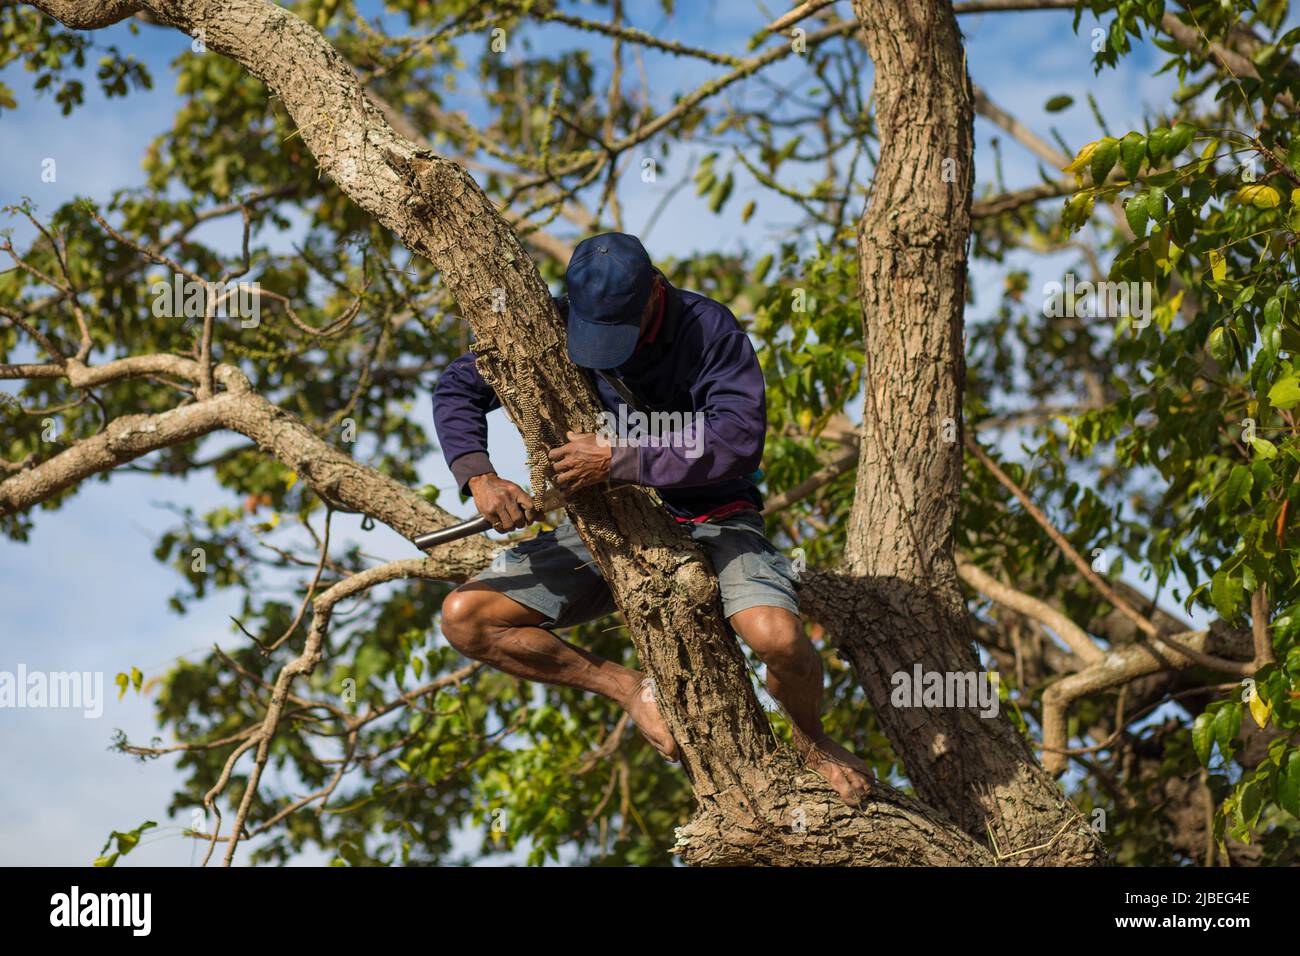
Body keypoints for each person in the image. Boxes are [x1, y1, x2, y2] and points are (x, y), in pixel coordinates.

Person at [432, 232, 873, 806]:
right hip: (607, 528)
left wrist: (620, 457)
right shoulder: (548, 323)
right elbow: (456, 386)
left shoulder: (708, 327)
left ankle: (814, 741)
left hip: (717, 514)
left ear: (654, 292)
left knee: (779, 639)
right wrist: (479, 475)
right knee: (466, 619)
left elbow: (738, 440)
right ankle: (628, 688)